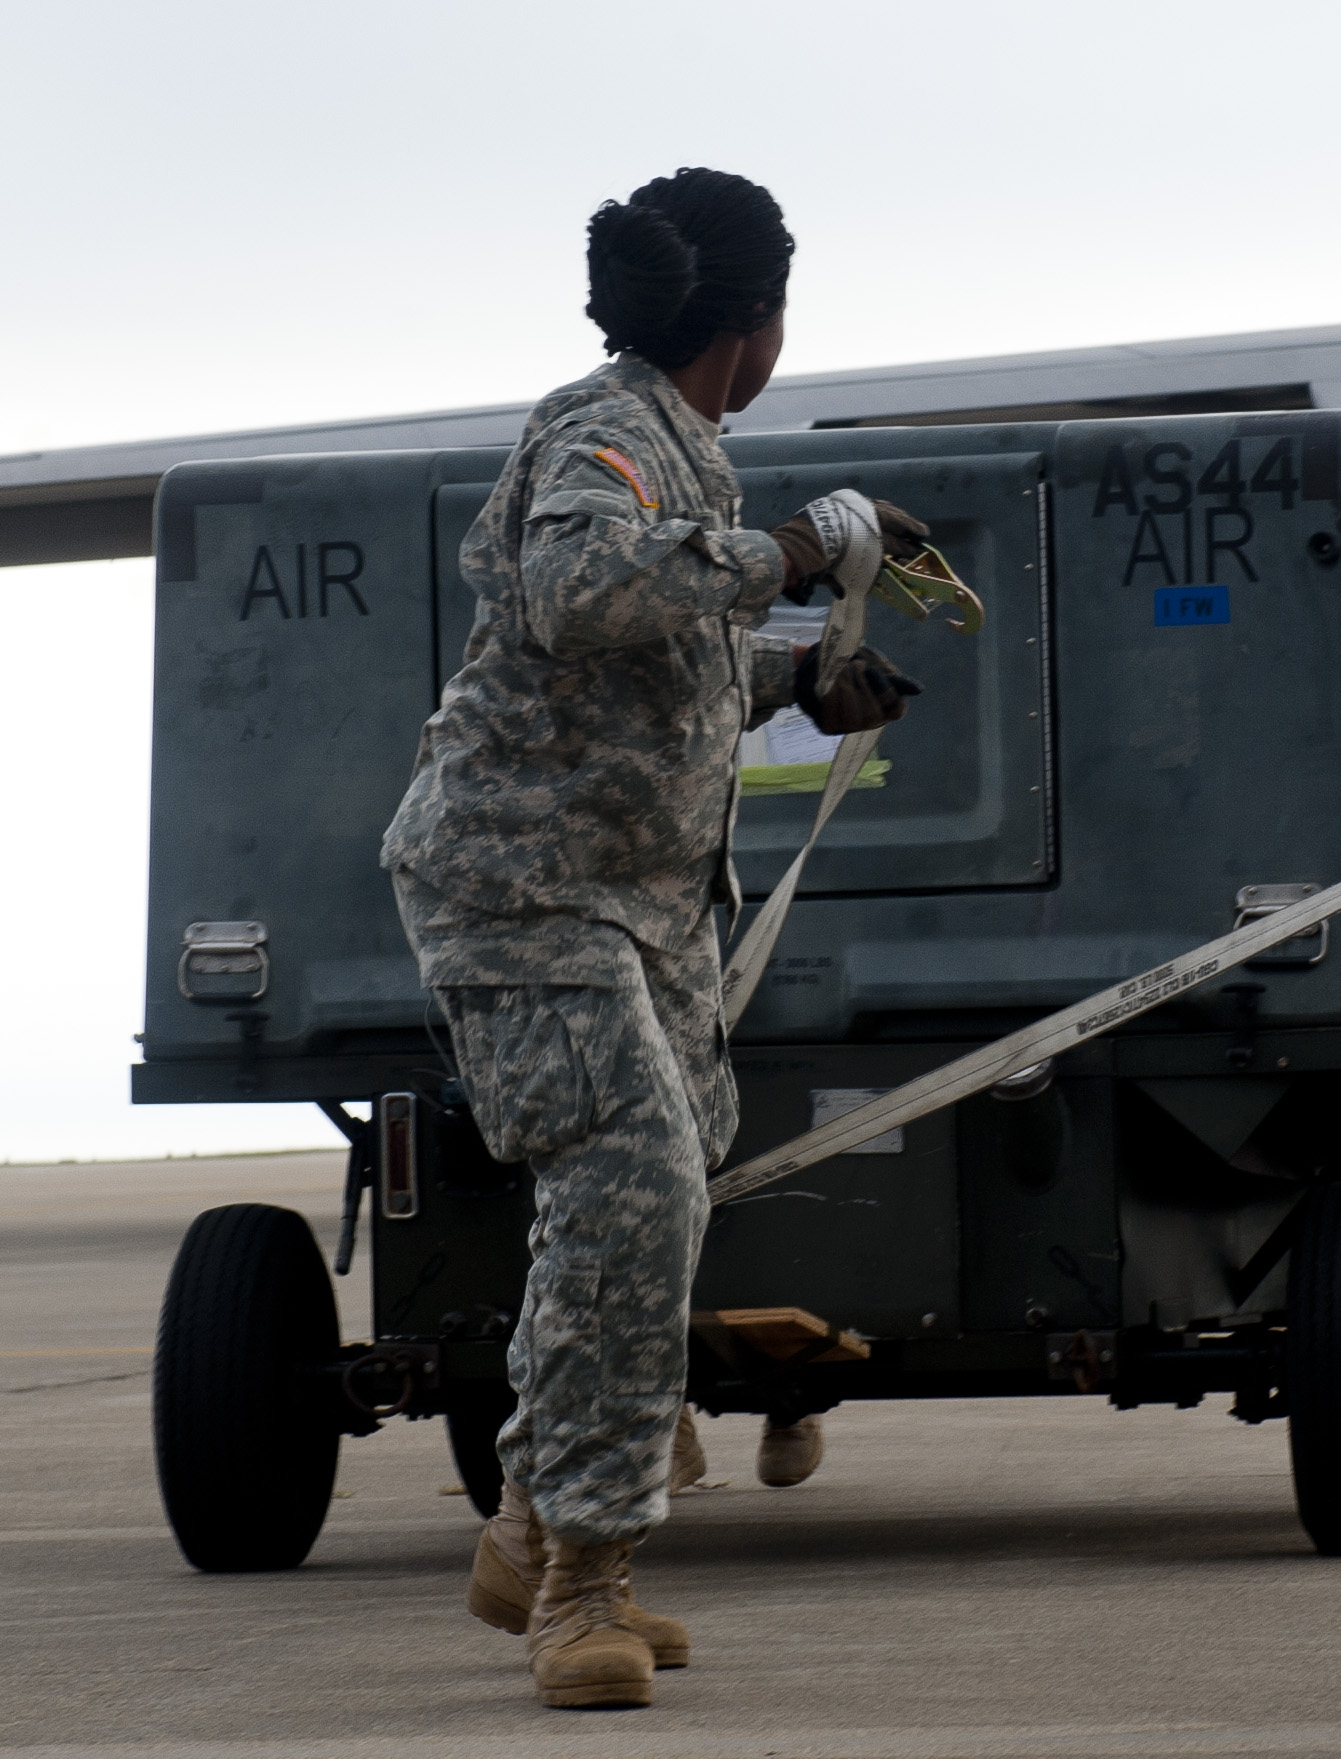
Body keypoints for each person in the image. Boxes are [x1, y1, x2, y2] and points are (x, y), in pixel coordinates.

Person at [381, 168, 925, 1711]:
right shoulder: (610, 432)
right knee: (633, 1174)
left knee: (661, 1180)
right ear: (751, 326)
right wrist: (801, 551)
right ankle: (582, 1580)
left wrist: (796, 687)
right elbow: (573, 592)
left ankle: (533, 1520)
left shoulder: (681, 452)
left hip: (640, 898)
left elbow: (653, 666)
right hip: (523, 888)